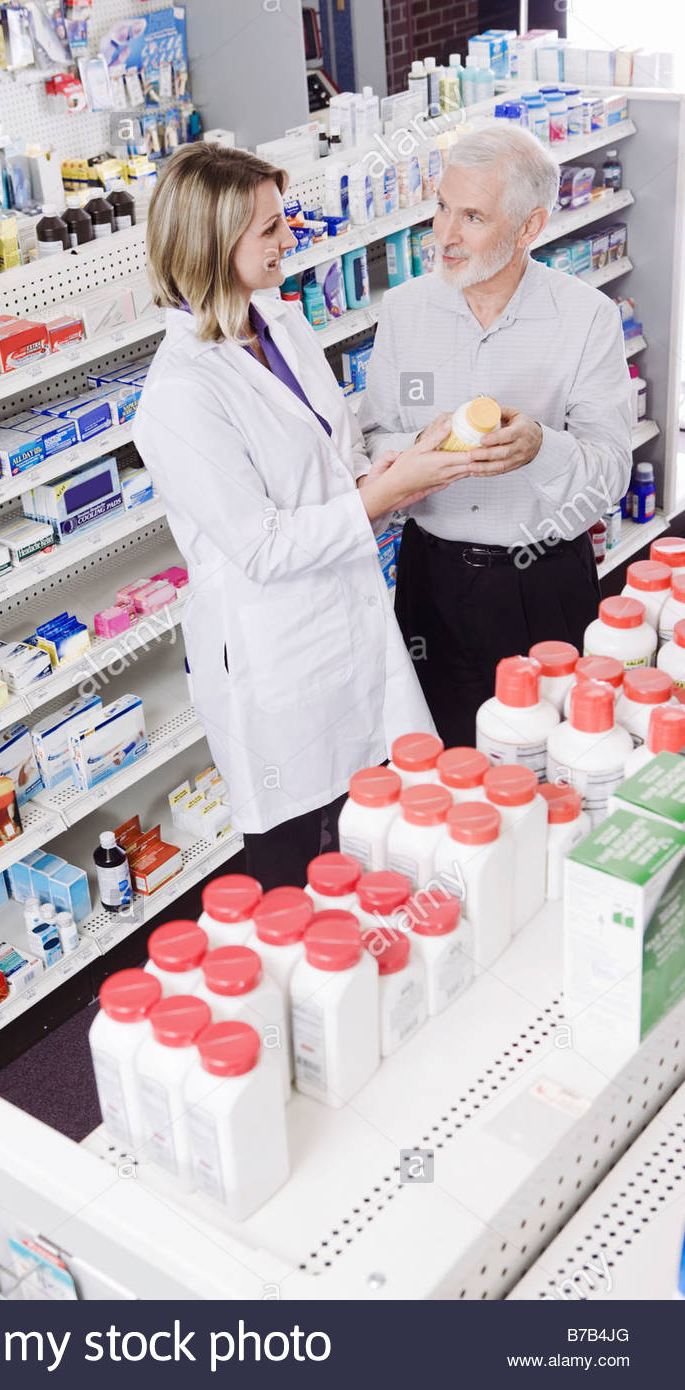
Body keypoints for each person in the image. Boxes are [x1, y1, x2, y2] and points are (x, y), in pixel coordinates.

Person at [133, 143, 470, 889]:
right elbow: (263, 547)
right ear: (217, 245)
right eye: (270, 228)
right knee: (301, 868)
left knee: (384, 832)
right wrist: (382, 495)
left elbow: (333, 458)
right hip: (274, 655)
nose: (289, 238)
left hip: (350, 619)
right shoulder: (180, 394)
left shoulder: (277, 324)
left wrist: (397, 466)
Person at [359, 126, 632, 747]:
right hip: (431, 582)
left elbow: (612, 472)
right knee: (439, 766)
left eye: (473, 217)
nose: (445, 235)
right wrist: (406, 458)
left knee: (553, 763)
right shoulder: (406, 311)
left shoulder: (586, 318)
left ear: (529, 227)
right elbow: (374, 435)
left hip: (540, 585)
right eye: (442, 208)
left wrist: (541, 448)